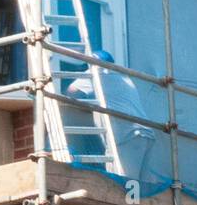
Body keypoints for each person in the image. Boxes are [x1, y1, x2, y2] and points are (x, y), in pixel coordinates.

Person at [66, 50, 156, 183]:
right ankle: (136, 202)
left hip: (128, 135)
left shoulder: (97, 73)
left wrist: (85, 104)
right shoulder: (124, 78)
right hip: (145, 134)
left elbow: (71, 92)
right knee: (142, 183)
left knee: (124, 182)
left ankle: (129, 203)